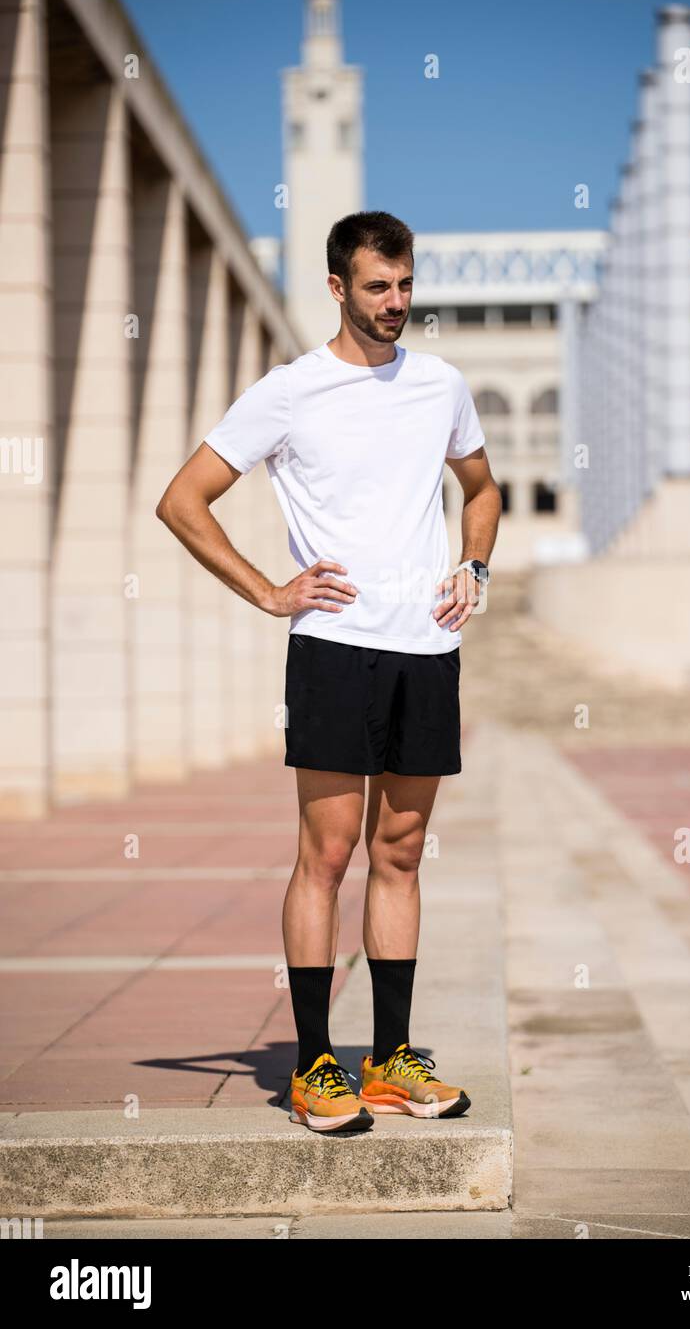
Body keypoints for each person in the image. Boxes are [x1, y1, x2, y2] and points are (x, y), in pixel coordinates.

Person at [156, 210, 501, 1134]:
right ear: (338, 287)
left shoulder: (440, 385)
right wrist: (270, 591)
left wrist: (475, 566)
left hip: (428, 649)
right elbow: (182, 501)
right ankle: (315, 1066)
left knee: (400, 854)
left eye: (406, 285)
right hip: (336, 651)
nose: (395, 304)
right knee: (329, 853)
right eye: (378, 287)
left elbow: (481, 485)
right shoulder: (289, 392)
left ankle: (389, 1059)